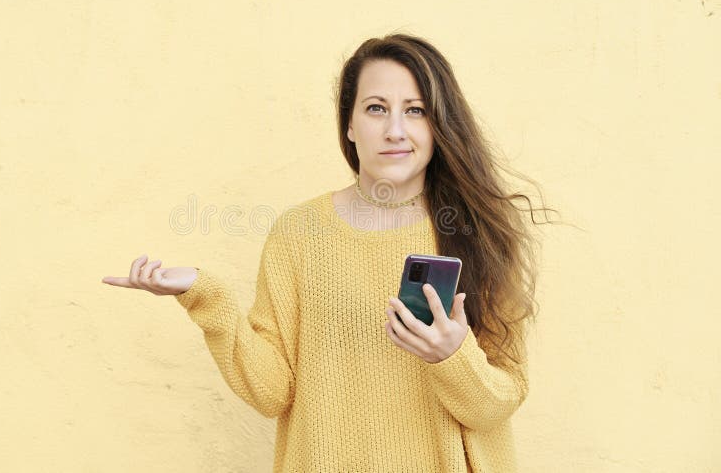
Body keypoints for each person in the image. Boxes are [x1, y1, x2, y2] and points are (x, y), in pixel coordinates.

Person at [102, 33, 556, 472]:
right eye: (376, 108)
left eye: (415, 110)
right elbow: (271, 392)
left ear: (438, 125)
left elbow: (499, 402)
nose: (395, 130)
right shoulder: (298, 234)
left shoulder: (475, 234)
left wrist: (452, 356)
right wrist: (206, 295)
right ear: (350, 125)